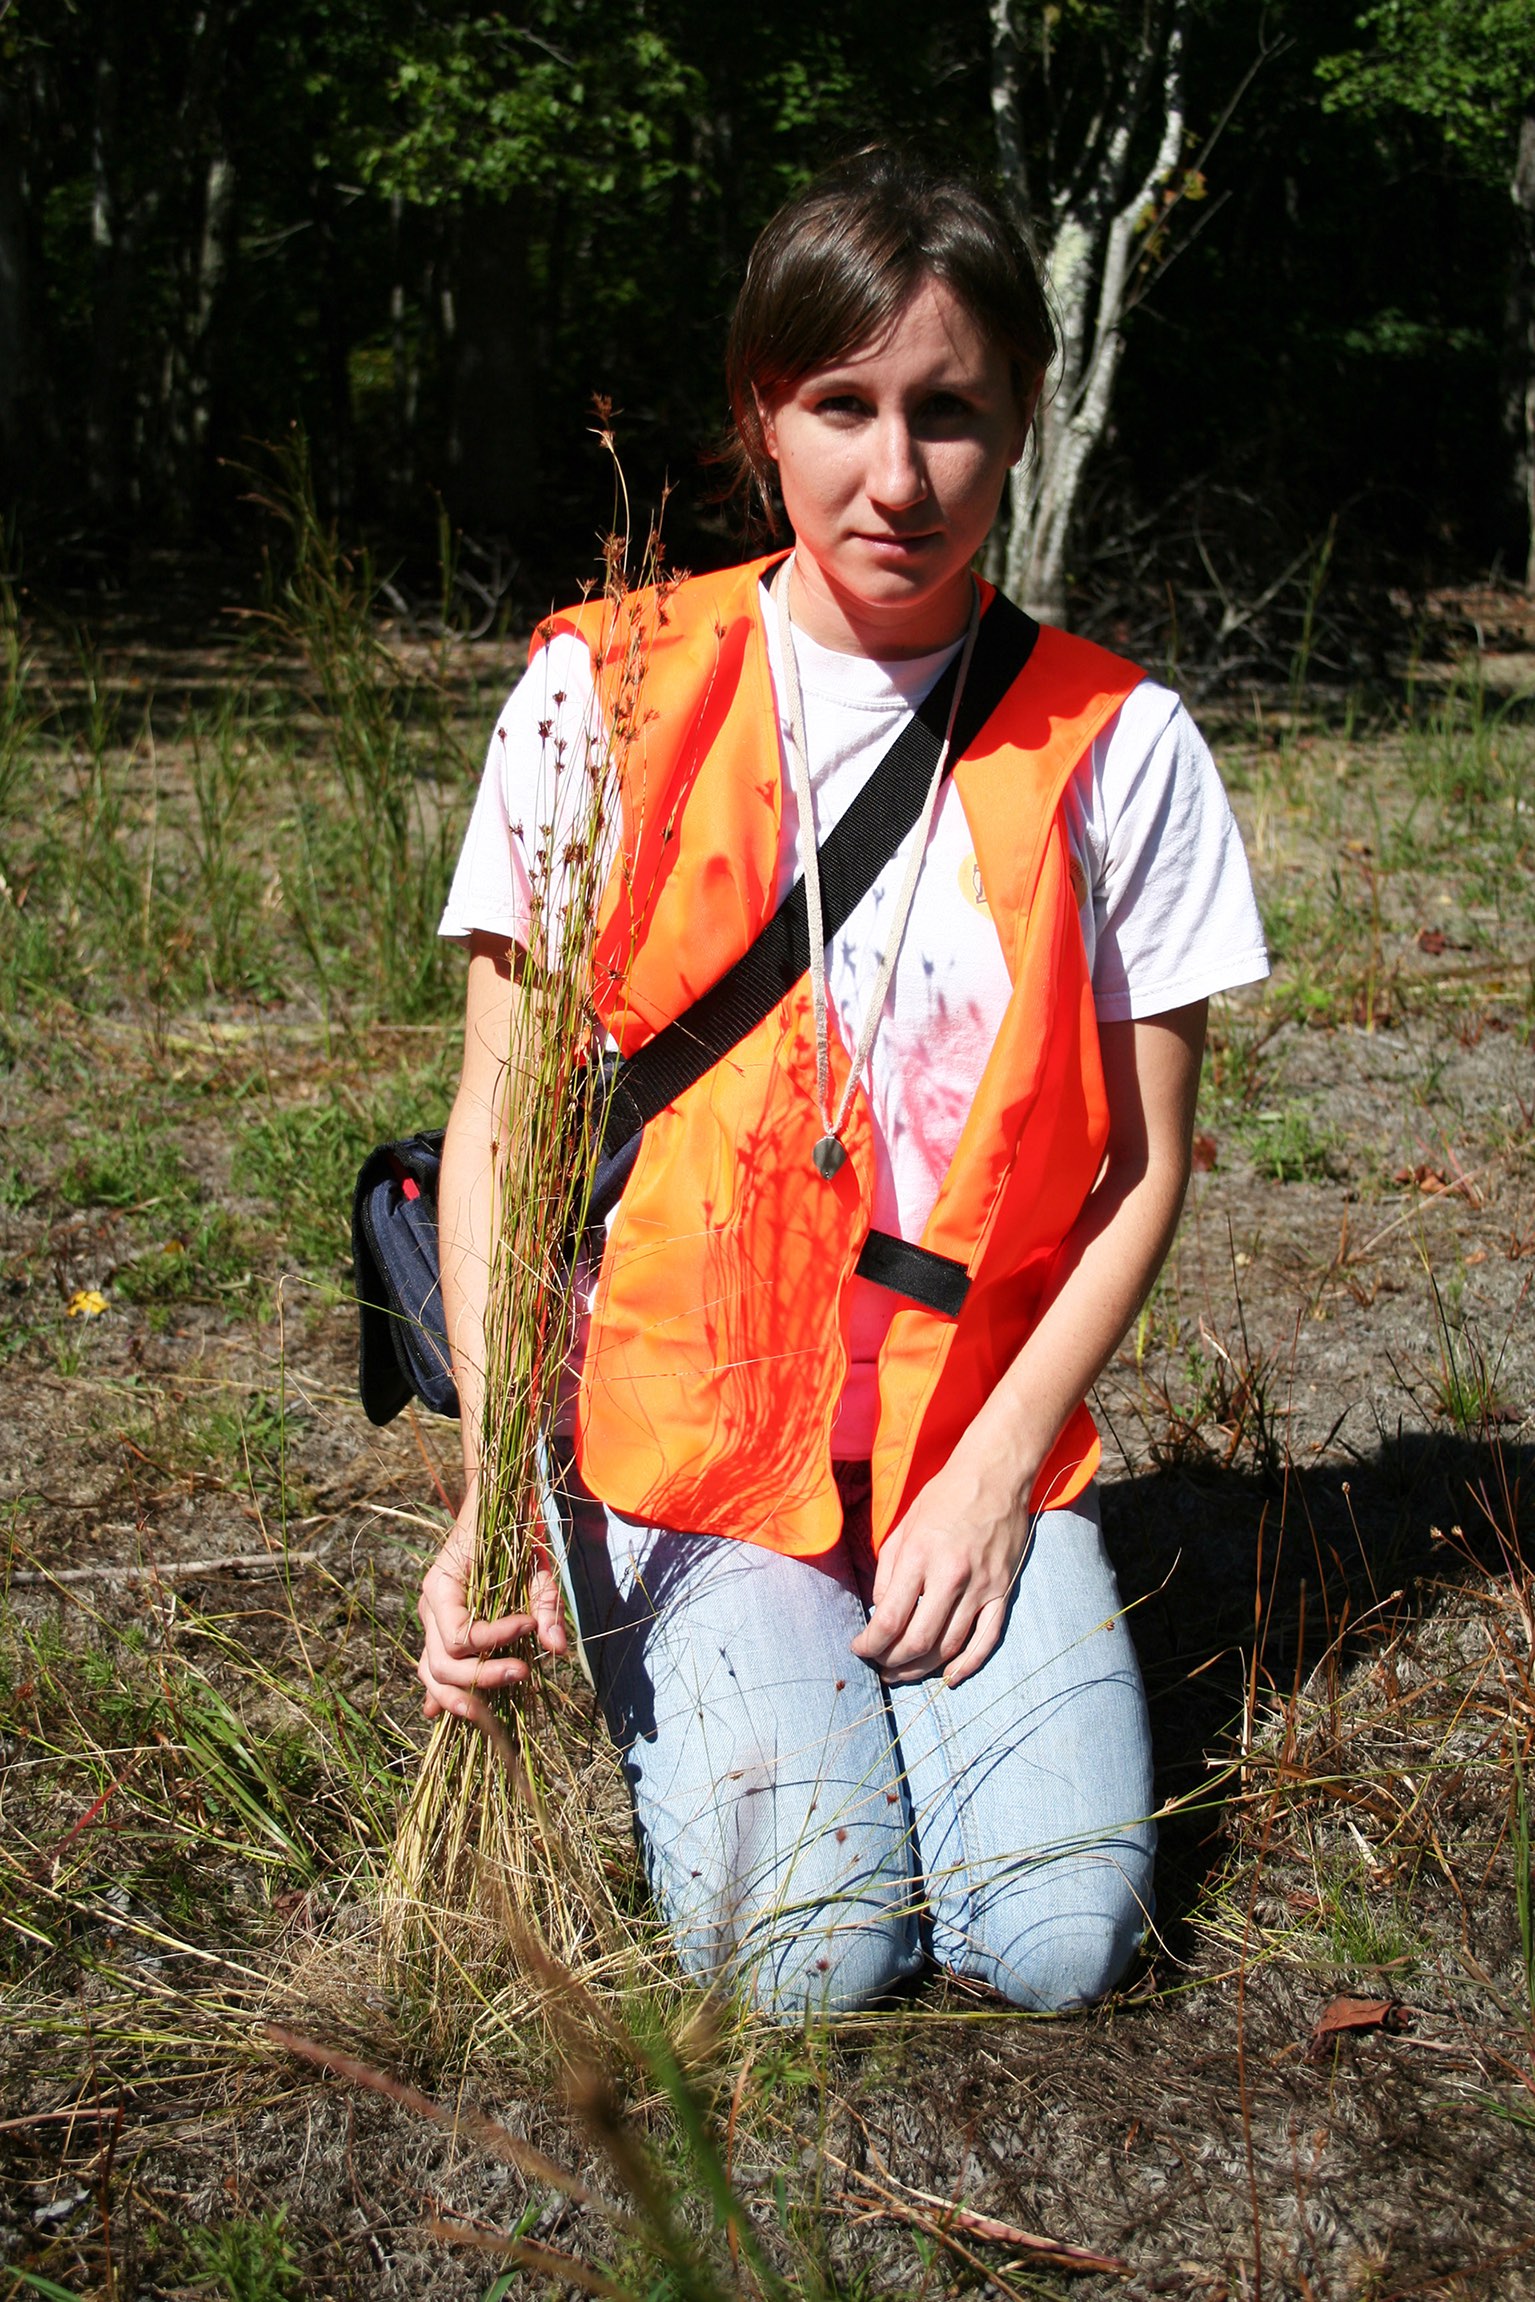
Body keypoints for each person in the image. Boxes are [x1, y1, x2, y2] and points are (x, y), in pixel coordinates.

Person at [416, 146, 1269, 2018]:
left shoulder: (1123, 746)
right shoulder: (606, 694)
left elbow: (1143, 1168)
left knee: (1058, 1938)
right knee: (806, 1956)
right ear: (761, 416)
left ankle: (919, 1667)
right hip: (690, 1441)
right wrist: (493, 1480)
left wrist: (987, 1485)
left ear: (1023, 420)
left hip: (973, 1429)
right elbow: (500, 1123)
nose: (900, 478)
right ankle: (753, 1677)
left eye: (952, 414)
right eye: (845, 408)